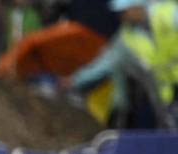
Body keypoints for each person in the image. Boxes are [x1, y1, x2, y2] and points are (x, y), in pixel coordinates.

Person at [60, 0, 178, 128]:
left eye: (124, 12)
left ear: (136, 6)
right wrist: (75, 80)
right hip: (168, 95)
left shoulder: (168, 14)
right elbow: (105, 63)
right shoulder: (126, 37)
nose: (121, 17)